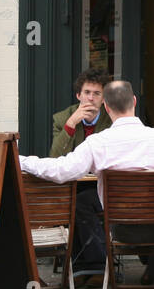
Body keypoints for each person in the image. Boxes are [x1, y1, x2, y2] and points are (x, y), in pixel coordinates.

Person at [22, 80, 154, 287]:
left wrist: (22, 160)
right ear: (134, 101)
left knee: (86, 202)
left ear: (106, 106)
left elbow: (62, 170)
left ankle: (108, 267)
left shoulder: (98, 142)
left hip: (120, 228)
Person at [47, 68, 112, 272]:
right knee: (75, 202)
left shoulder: (112, 120)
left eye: (96, 94)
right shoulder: (62, 119)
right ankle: (89, 266)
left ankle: (88, 266)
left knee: (81, 205)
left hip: (103, 186)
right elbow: (54, 158)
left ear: (104, 98)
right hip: (72, 185)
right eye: (87, 93)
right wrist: (71, 124)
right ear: (78, 95)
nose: (90, 98)